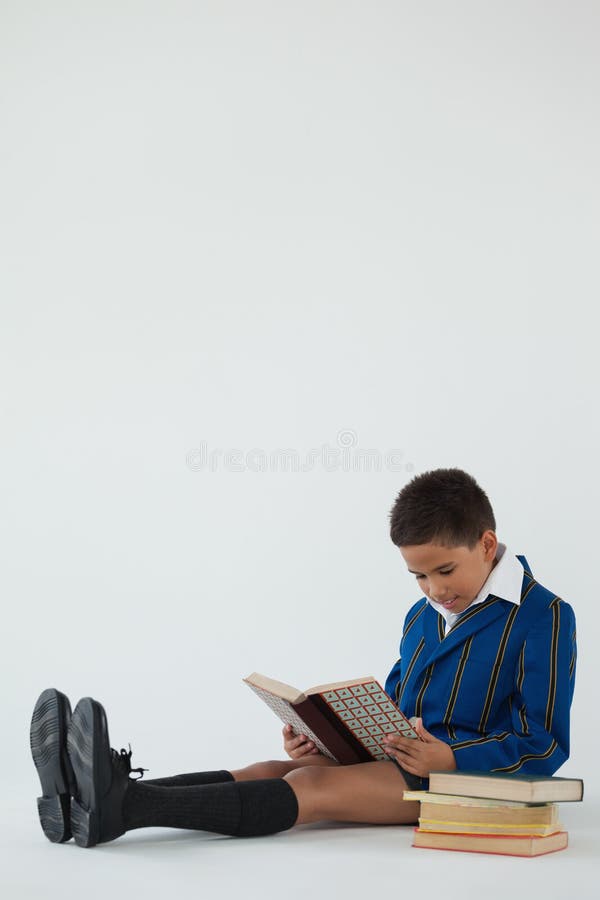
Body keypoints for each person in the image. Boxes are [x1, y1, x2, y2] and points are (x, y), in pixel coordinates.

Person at [29, 468, 577, 847]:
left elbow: (546, 743)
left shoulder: (543, 616)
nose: (432, 589)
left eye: (444, 571)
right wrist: (332, 734)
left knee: (310, 789)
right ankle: (96, 795)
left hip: (467, 781)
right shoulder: (422, 617)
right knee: (273, 768)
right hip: (403, 760)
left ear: (485, 545)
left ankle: (118, 810)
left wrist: (451, 760)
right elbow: (396, 704)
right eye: (417, 576)